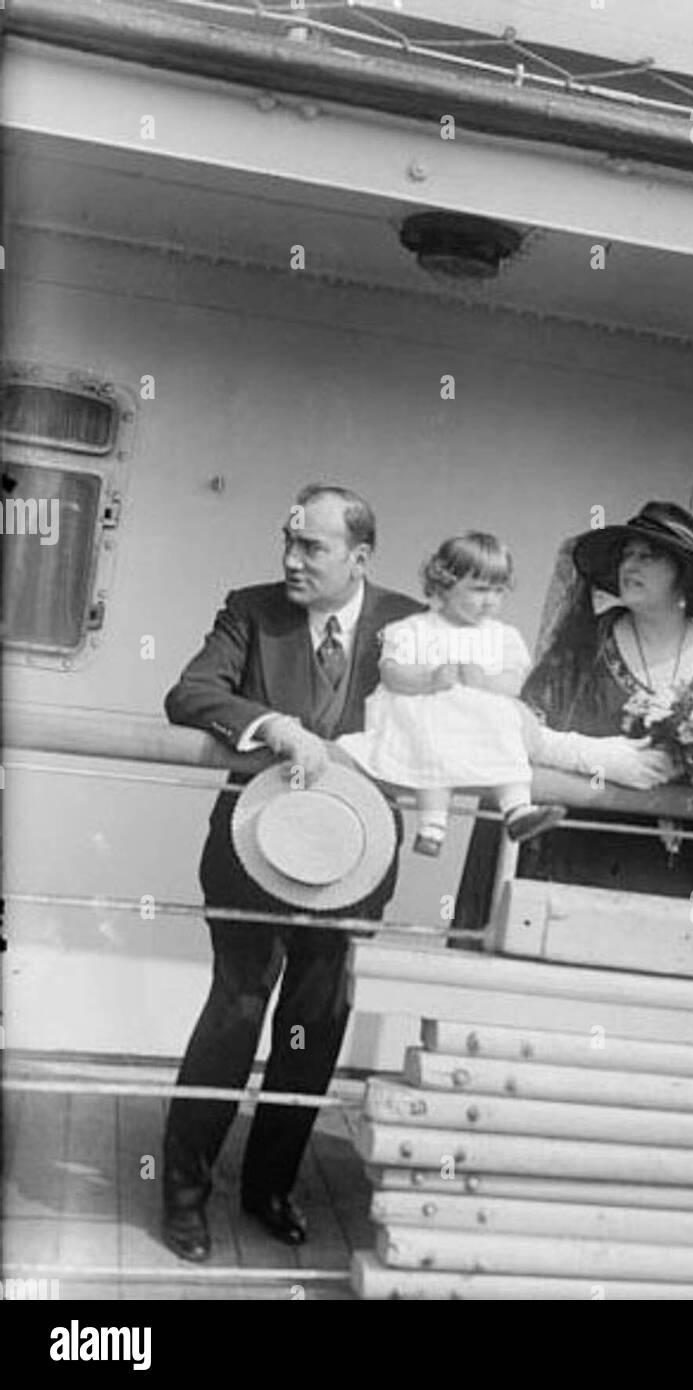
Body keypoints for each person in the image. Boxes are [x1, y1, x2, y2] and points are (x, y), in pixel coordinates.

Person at [161, 484, 423, 1262]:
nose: (291, 559)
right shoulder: (251, 609)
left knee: (314, 1033)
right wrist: (272, 725)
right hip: (253, 855)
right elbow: (190, 692)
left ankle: (269, 1188)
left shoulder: (411, 627)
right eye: (288, 541)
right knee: (234, 1016)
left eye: (312, 546)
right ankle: (182, 1194)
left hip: (355, 861)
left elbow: (453, 723)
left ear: (359, 556)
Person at [455, 500, 693, 928]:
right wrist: (604, 759)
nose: (630, 565)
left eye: (648, 556)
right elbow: (519, 734)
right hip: (579, 864)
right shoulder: (583, 648)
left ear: (684, 574)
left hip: (682, 881)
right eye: (627, 555)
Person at [338, 533, 565, 856]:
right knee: (430, 737)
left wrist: (485, 680)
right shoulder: (414, 629)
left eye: (498, 591)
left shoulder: (502, 637)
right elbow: (392, 672)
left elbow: (514, 682)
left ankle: (516, 809)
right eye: (479, 589)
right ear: (444, 584)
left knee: (505, 723)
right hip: (425, 716)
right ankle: (432, 824)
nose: (490, 601)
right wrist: (428, 679)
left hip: (480, 725)